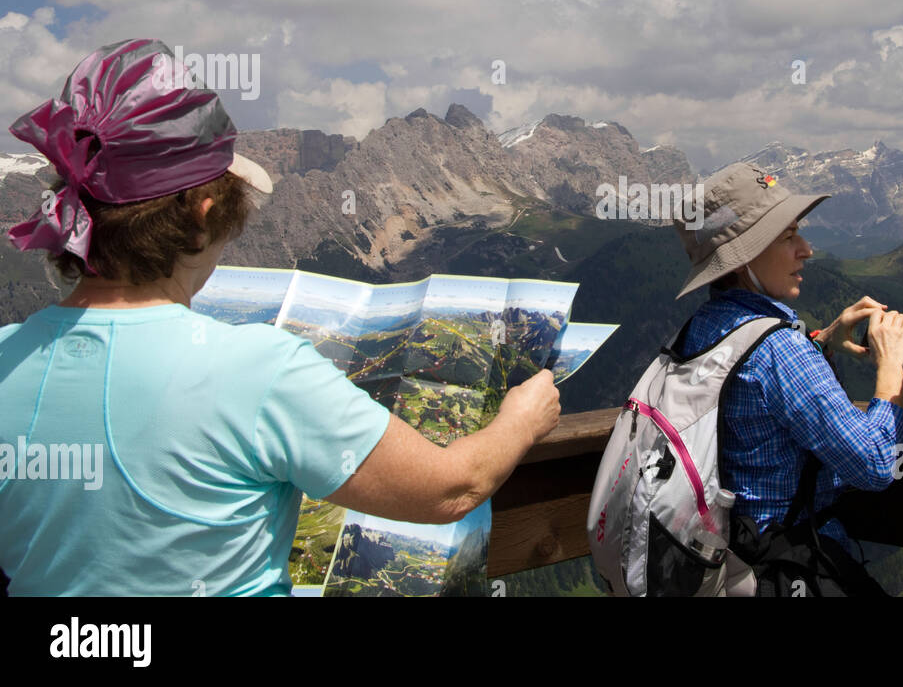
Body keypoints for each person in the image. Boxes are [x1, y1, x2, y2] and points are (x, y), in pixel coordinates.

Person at [0, 39, 559, 596]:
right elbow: (449, 491)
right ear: (202, 216)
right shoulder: (255, 371)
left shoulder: (6, 356)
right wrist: (522, 419)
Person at [673, 162, 903, 593]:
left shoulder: (700, 327)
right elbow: (876, 464)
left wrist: (821, 341)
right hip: (790, 567)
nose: (806, 249)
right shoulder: (781, 351)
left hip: (730, 562)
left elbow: (749, 380)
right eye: (788, 237)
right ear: (744, 257)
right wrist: (892, 368)